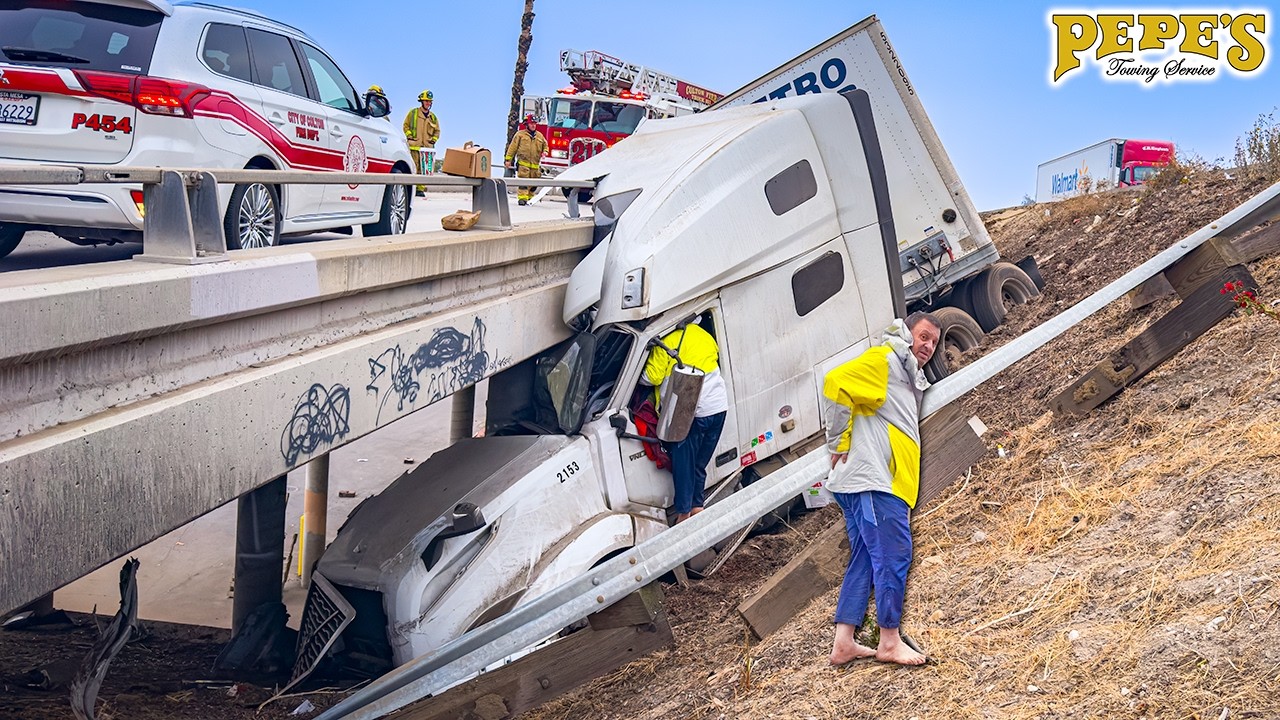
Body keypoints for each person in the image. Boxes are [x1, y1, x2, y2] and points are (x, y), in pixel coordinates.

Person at [822, 311, 940, 666]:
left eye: (934, 341)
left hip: (873, 482)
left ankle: (844, 642)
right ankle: (889, 640)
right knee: (893, 554)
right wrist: (837, 442)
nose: (928, 346)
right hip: (875, 482)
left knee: (865, 558)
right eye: (923, 337)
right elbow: (835, 382)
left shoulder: (903, 373)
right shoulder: (886, 360)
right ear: (907, 333)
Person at [640, 317, 728, 523]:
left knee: (683, 464)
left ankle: (684, 515)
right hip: (718, 407)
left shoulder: (667, 342)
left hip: (690, 414)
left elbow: (650, 378)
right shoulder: (705, 336)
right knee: (698, 464)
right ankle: (698, 508)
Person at [504, 114, 548, 206]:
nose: (533, 125)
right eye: (531, 123)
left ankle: (530, 198)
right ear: (526, 124)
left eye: (534, 124)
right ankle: (522, 199)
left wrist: (545, 152)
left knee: (534, 184)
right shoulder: (520, 135)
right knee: (523, 182)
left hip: (535, 166)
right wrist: (508, 160)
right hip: (523, 165)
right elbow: (512, 148)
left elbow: (545, 145)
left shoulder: (540, 136)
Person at [403, 90, 440, 197]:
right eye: (426, 101)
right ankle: (411, 188)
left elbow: (437, 131)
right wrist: (409, 135)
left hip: (427, 148)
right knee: (413, 167)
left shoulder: (433, 117)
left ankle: (420, 189)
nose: (428, 103)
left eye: (430, 102)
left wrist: (433, 139)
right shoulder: (413, 113)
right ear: (422, 101)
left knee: (424, 170)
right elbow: (405, 126)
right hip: (414, 146)